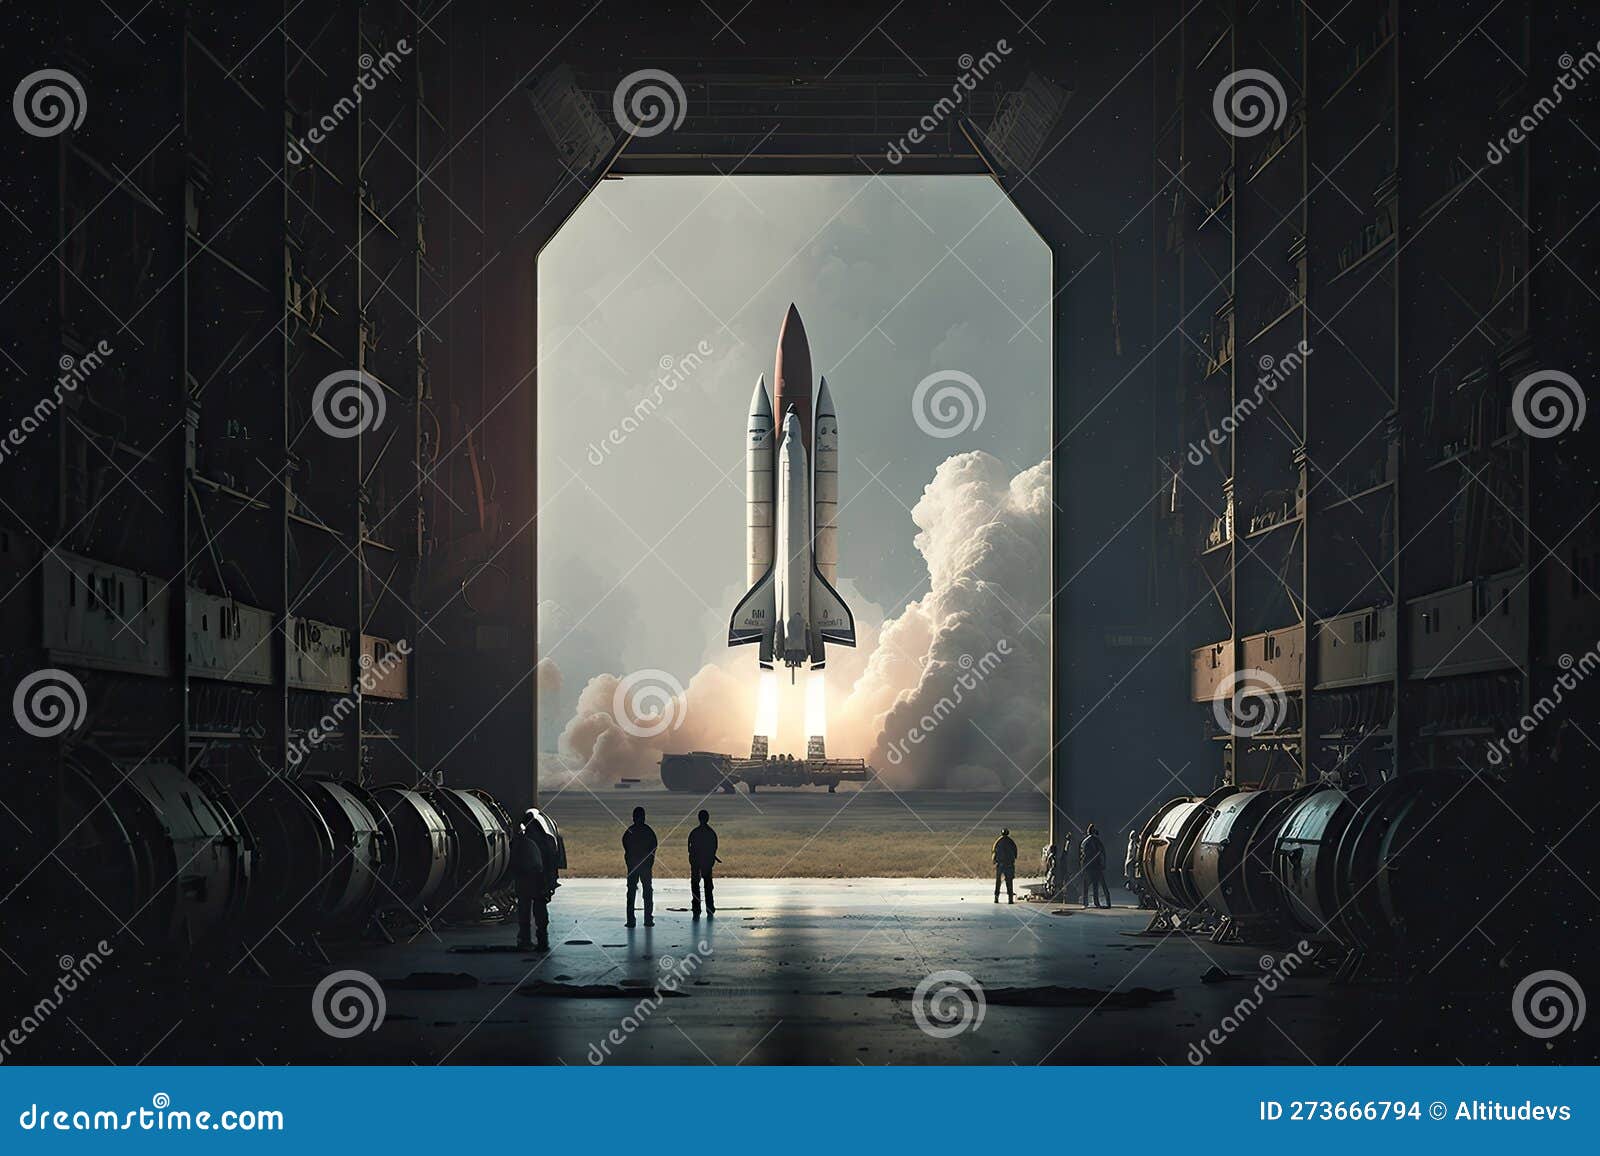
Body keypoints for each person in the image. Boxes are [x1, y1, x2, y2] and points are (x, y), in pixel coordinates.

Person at [510, 810, 552, 950]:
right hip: (538, 878)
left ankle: (525, 940)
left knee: (524, 911)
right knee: (540, 912)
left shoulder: (522, 841)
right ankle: (542, 941)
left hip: (525, 878)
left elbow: (514, 861)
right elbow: (550, 860)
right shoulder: (544, 839)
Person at [622, 805, 658, 927]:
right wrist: (649, 862)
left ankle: (631, 920)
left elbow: (626, 846)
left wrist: (630, 861)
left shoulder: (629, 831)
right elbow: (654, 846)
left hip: (633, 866)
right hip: (645, 866)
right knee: (647, 891)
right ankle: (648, 919)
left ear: (633, 818)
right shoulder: (648, 831)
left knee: (631, 892)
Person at [686, 809, 720, 918]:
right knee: (708, 885)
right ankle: (709, 907)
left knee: (695, 885)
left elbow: (689, 848)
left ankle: (696, 908)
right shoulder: (711, 833)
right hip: (706, 862)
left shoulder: (694, 832)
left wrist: (693, 860)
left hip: (696, 862)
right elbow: (714, 847)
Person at [1080, 822, 1109, 908]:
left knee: (1086, 886)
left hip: (1087, 867)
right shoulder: (1097, 841)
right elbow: (1102, 853)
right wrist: (1103, 864)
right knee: (1095, 886)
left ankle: (1085, 903)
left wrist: (1082, 867)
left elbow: (1082, 856)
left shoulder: (1084, 842)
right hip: (1096, 866)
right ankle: (1096, 902)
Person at [992, 827, 1018, 903]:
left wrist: (995, 861)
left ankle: (996, 898)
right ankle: (1010, 899)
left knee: (998, 882)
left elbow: (994, 852)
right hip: (1009, 865)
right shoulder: (1011, 842)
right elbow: (1015, 853)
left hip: (1000, 865)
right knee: (1009, 881)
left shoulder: (998, 841)